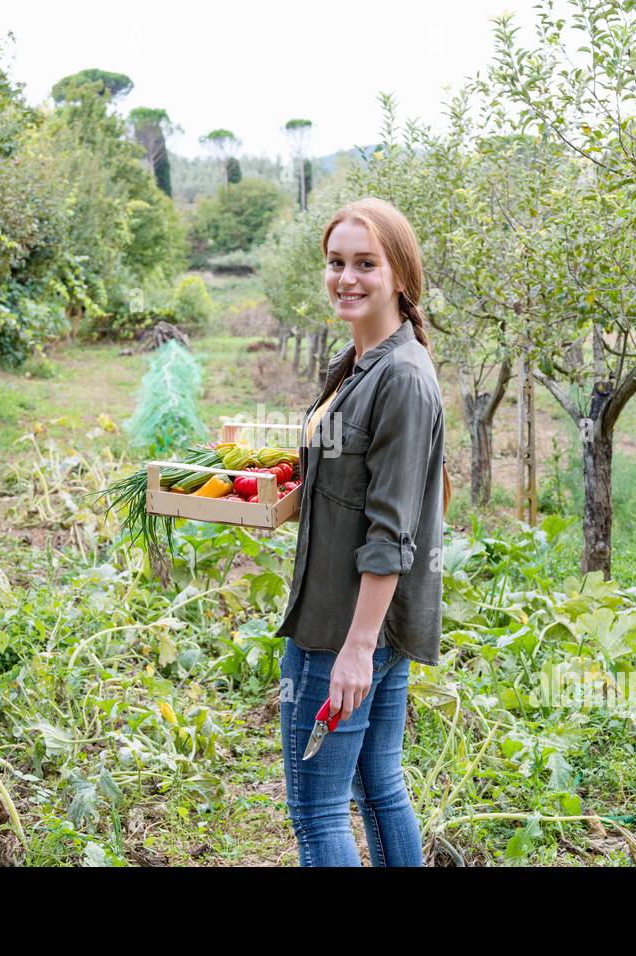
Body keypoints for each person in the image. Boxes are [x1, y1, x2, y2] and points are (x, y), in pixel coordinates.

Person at [275, 197, 450, 867]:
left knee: (317, 809)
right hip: (364, 623)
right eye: (336, 262)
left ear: (400, 275)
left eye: (365, 264)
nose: (346, 278)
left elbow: (390, 532)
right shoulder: (362, 362)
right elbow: (358, 486)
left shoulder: (400, 378)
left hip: (344, 629)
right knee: (377, 787)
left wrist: (355, 648)